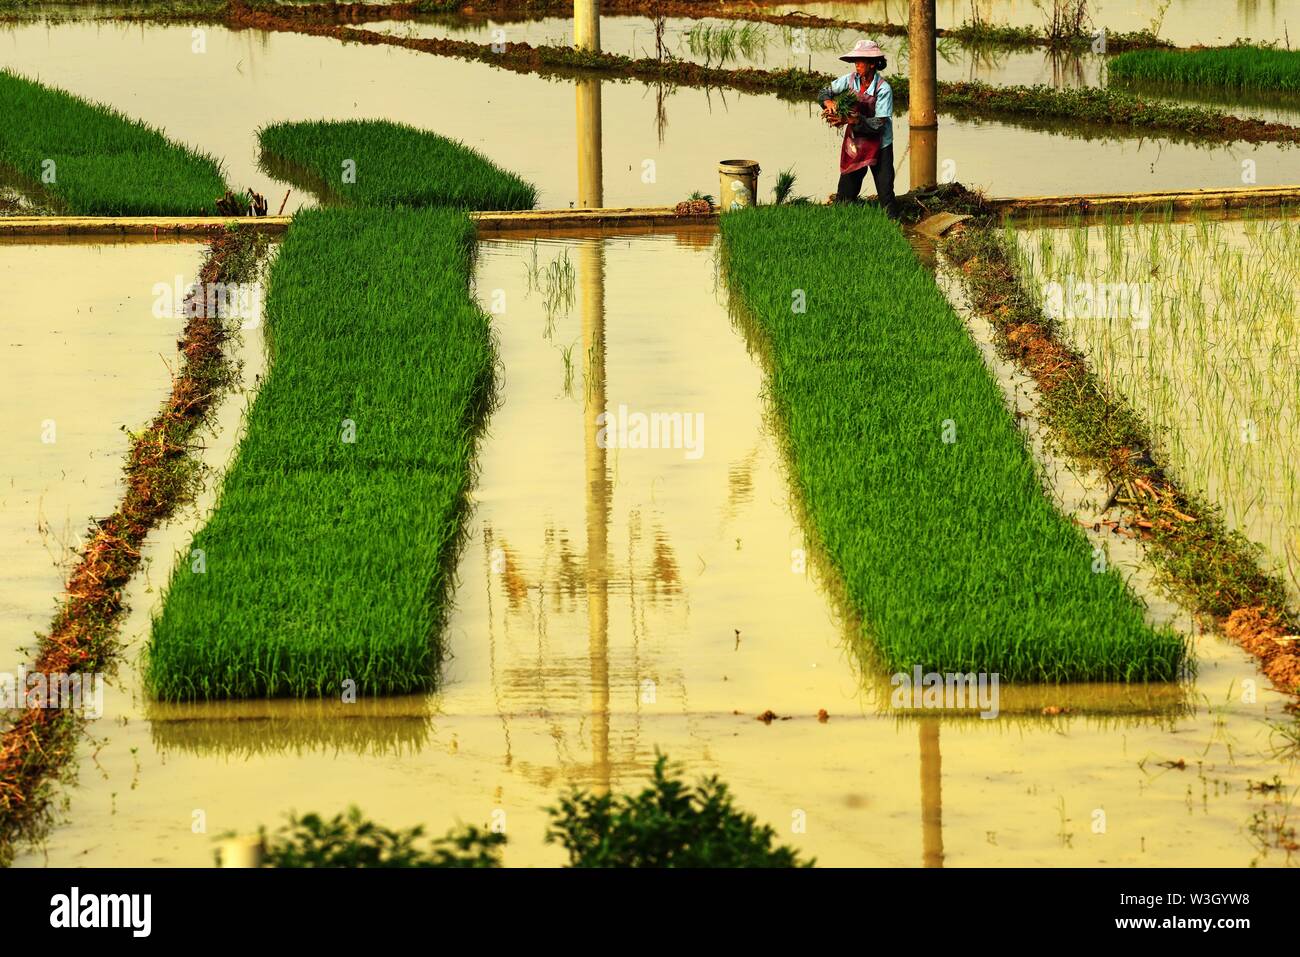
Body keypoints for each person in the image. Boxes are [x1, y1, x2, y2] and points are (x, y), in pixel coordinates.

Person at [817, 39, 896, 217]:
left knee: (885, 192)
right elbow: (824, 91)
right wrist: (828, 102)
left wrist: (851, 119)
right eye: (856, 60)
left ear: (873, 64)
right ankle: (841, 220)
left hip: (880, 144)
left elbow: (878, 124)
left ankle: (893, 224)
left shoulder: (883, 89)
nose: (857, 64)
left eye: (861, 60)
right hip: (856, 143)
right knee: (845, 192)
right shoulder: (850, 80)